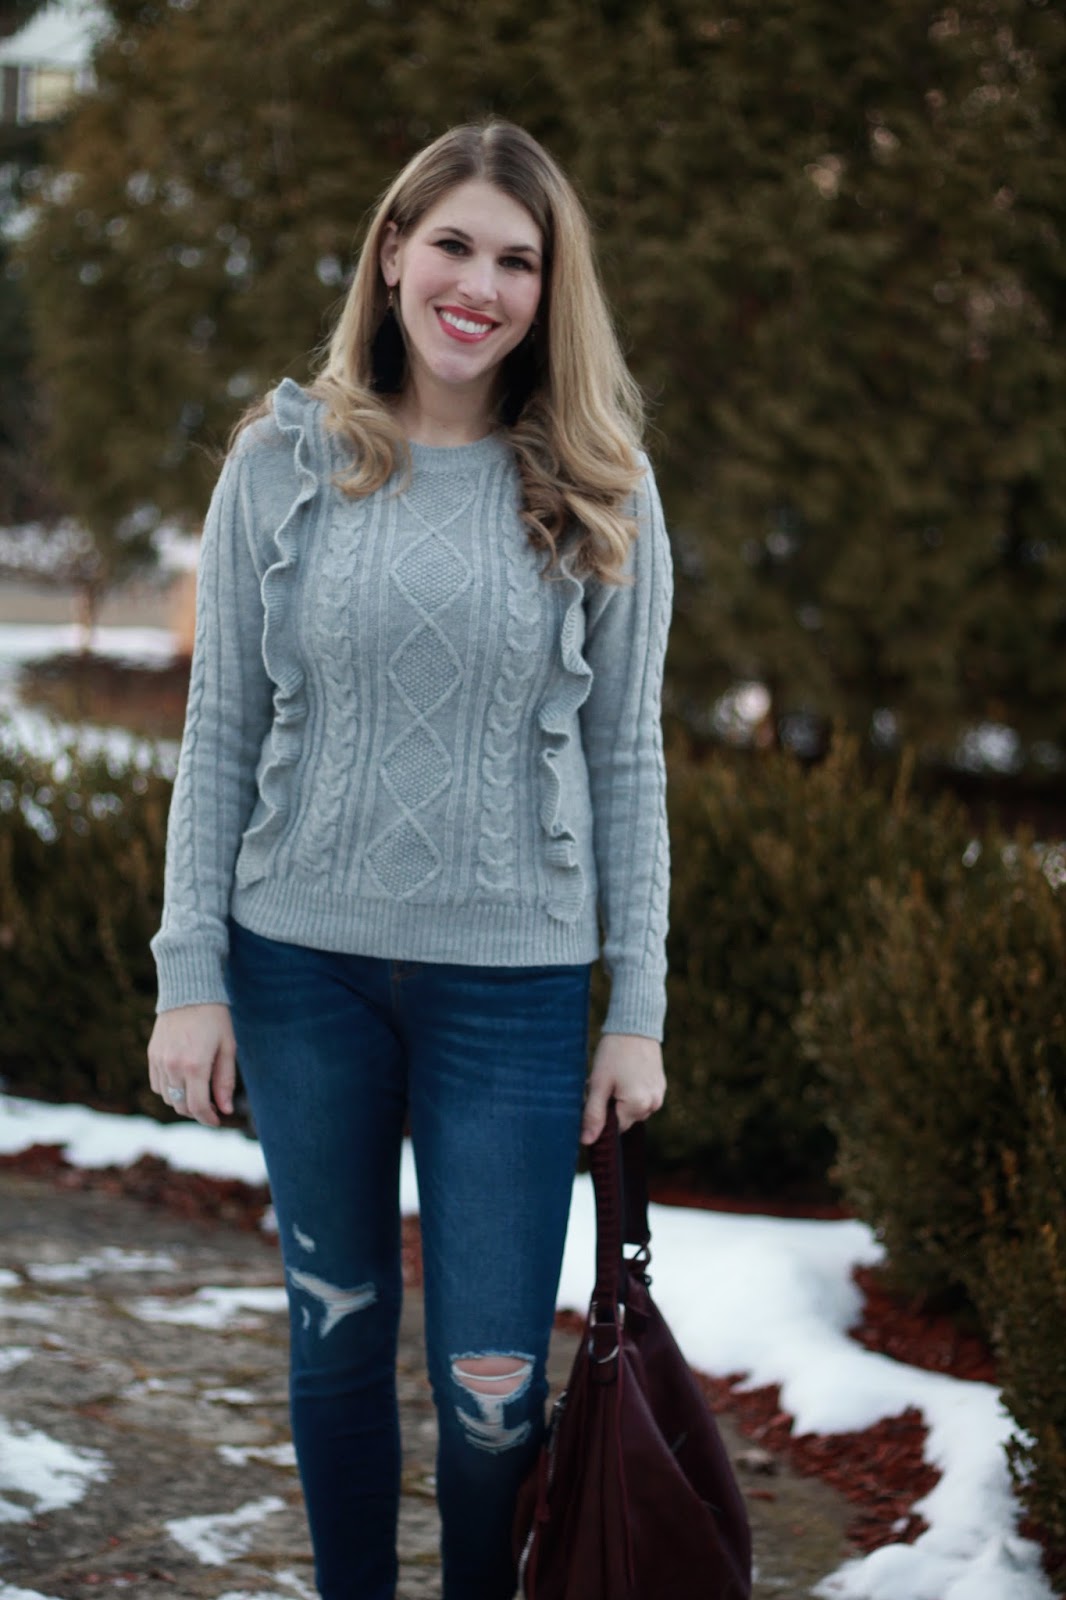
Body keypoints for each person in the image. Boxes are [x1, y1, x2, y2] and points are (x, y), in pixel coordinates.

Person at [147, 119, 673, 1600]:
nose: (478, 284)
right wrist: (192, 972)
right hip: (297, 968)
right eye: (451, 243)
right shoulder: (282, 461)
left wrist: (632, 1008)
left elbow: (627, 760)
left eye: (517, 259)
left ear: (546, 292)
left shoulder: (599, 485)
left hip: (510, 993)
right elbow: (220, 730)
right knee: (334, 1328)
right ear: (391, 253)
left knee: (495, 1378)